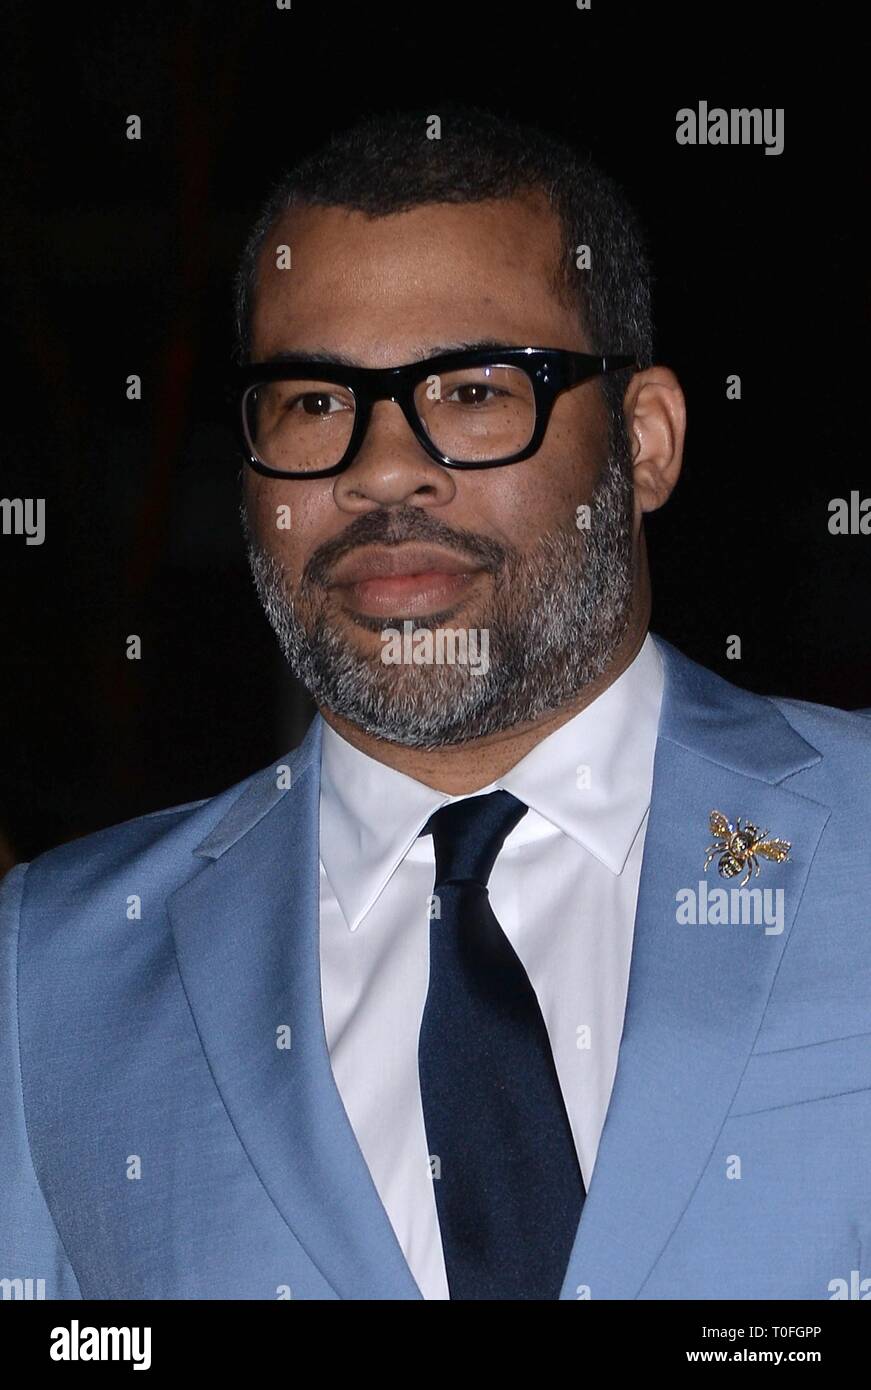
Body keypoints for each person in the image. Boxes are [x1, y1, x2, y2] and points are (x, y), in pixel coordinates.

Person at [2, 106, 869, 1302]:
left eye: (471, 390)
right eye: (312, 401)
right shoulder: (49, 971)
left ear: (646, 442)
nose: (379, 467)